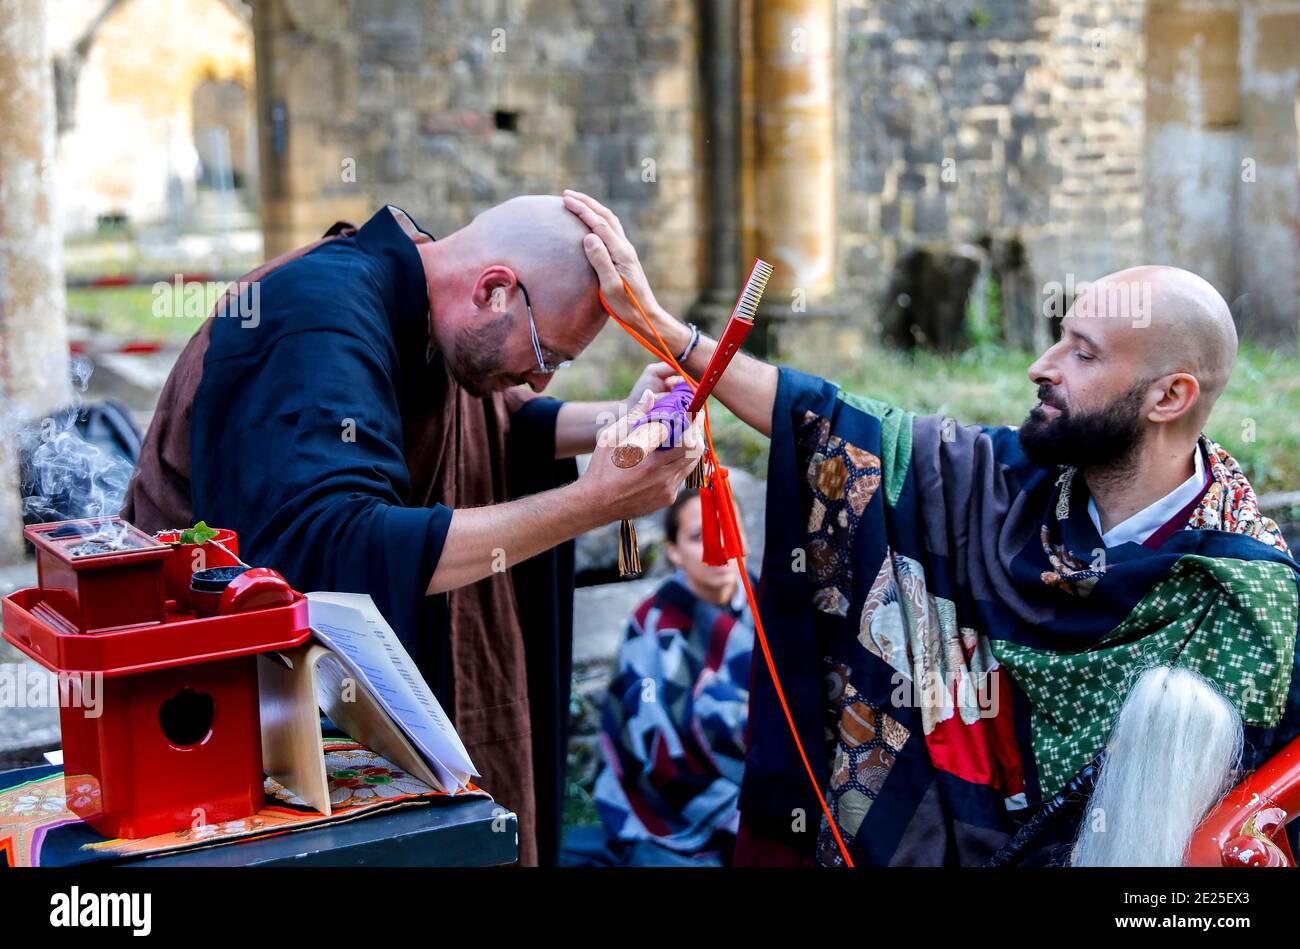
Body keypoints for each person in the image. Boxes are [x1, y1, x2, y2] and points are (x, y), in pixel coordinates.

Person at [564, 190, 1300, 866]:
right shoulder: (1006, 484)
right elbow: (841, 425)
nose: (1041, 367)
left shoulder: (1248, 596)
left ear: (1170, 397)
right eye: (1059, 339)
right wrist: (666, 331)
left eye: (1083, 353)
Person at [123, 196, 701, 866]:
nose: (542, 379)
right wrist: (592, 503)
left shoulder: (422, 301)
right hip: (221, 710)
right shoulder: (313, 321)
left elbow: (506, 424)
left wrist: (619, 421)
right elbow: (325, 549)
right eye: (547, 353)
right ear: (493, 290)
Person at [566, 488, 755, 866]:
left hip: (774, 783)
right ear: (673, 552)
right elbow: (655, 748)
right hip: (678, 799)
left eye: (728, 530)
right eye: (699, 536)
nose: (718, 547)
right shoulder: (652, 627)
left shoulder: (777, 605)